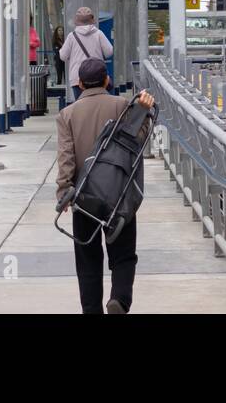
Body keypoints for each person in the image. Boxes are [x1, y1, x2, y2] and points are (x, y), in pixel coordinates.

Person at [56, 57, 155, 315]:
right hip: (119, 197)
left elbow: (66, 157)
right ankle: (119, 300)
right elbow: (139, 140)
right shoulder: (122, 106)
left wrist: (64, 191)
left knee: (87, 260)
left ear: (79, 83)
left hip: (84, 196)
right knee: (123, 255)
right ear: (107, 80)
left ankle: (91, 310)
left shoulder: (67, 115)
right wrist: (143, 111)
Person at [58, 8, 114, 103]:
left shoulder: (72, 36)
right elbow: (109, 52)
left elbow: (63, 56)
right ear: (92, 19)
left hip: (78, 79)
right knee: (97, 104)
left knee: (81, 105)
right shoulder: (99, 34)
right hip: (97, 76)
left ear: (76, 20)